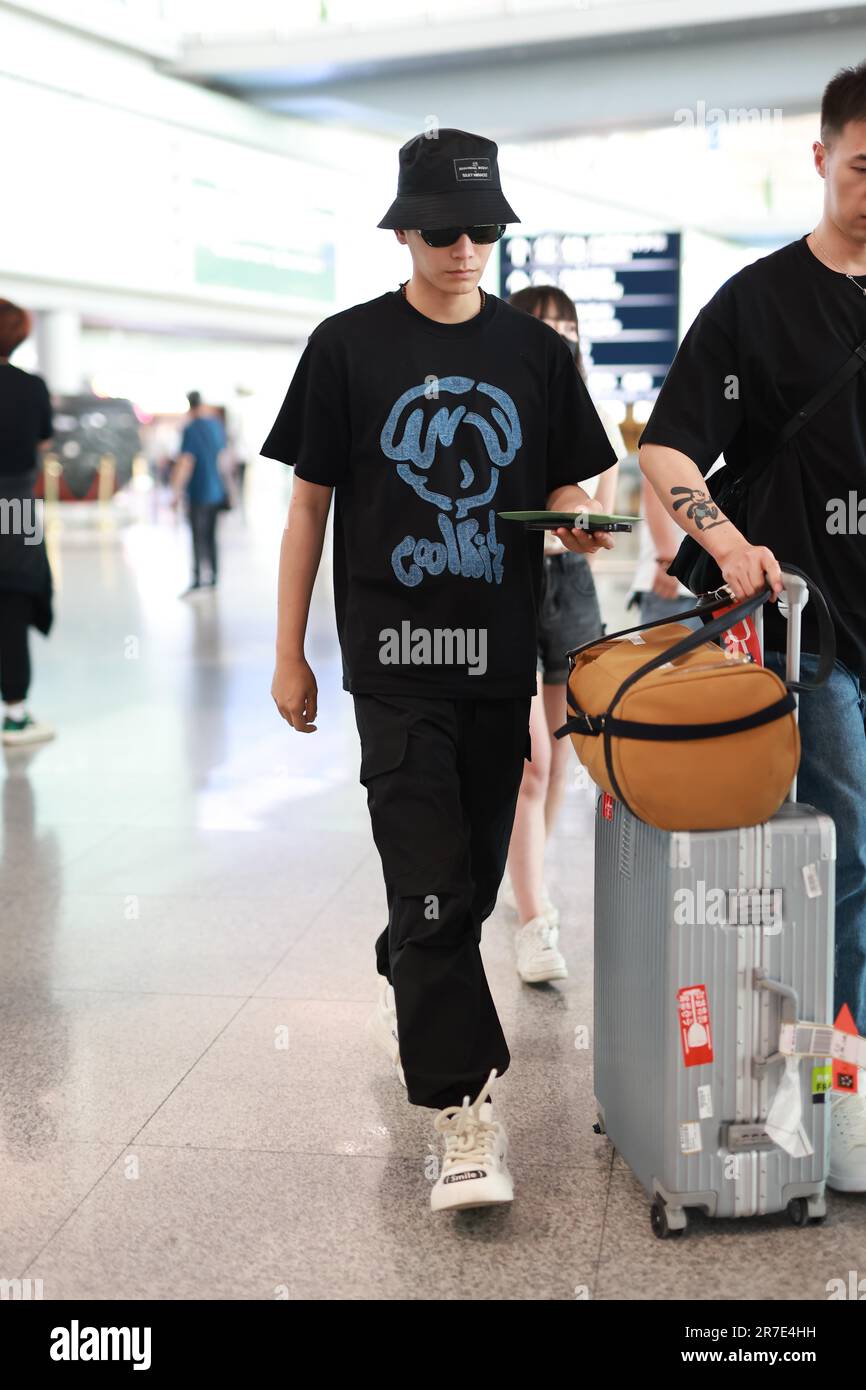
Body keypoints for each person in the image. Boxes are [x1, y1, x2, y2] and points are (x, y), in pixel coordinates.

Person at [262, 128, 617, 1212]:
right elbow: (309, 505)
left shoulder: (535, 357)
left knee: (451, 880)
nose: (462, 248)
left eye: (481, 230)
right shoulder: (346, 348)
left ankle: (407, 958)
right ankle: (462, 1114)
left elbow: (565, 485)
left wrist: (573, 526)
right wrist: (289, 652)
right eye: (440, 229)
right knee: (426, 869)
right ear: (403, 229)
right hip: (393, 663)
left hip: (494, 662)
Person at [639, 61, 866, 1194]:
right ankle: (828, 1093)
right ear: (820, 157)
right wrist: (722, 540)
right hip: (807, 633)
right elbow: (667, 446)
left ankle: (840, 1076)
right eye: (864, 165)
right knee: (848, 852)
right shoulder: (759, 298)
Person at [498, 285, 624, 980]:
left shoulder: (591, 415)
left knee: (564, 748)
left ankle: (529, 875)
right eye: (543, 327)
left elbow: (597, 515)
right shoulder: (498, 411)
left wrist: (574, 533)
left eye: (567, 327)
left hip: (572, 593)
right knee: (531, 762)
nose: (559, 339)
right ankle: (532, 914)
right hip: (508, 592)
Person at [0, 299, 56, 747]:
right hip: (17, 508)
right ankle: (16, 715)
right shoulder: (31, 387)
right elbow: (42, 443)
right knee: (15, 605)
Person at [172, 391, 228, 597]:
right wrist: (230, 489)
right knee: (212, 535)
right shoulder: (215, 426)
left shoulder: (190, 429)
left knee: (197, 536)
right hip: (216, 490)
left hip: (198, 492)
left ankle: (197, 580)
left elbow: (187, 461)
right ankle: (213, 577)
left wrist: (176, 492)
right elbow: (223, 459)